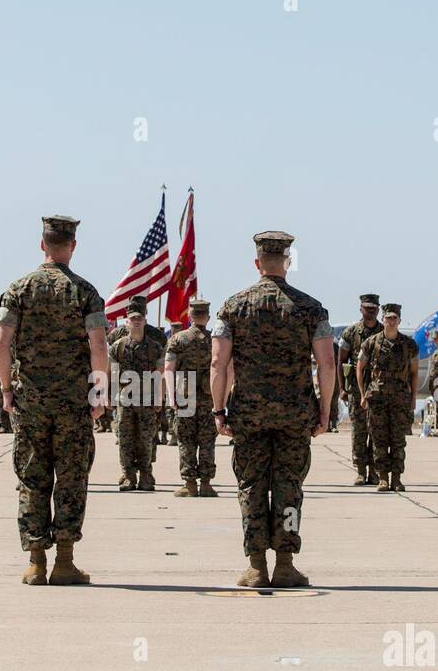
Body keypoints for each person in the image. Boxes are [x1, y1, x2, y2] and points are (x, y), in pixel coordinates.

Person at [211, 230, 333, 588]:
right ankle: (285, 563)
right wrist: (324, 411)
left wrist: (219, 410)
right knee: (289, 488)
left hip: (248, 415)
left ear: (257, 262)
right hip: (296, 415)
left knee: (251, 485)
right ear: (288, 262)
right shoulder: (311, 308)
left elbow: (218, 364)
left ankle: (255, 566)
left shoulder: (233, 307)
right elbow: (326, 363)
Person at [0, 214, 108, 586]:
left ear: (42, 244)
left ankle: (36, 562)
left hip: (31, 404)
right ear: (72, 246)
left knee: (32, 477)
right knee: (71, 479)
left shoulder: (18, 290)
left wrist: (8, 389)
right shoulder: (86, 293)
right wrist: (99, 392)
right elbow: (99, 345)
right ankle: (66, 562)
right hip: (73, 404)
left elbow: (0, 344)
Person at [357, 303, 420, 491]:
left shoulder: (409, 345)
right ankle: (382, 478)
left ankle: (397, 479)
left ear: (399, 320)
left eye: (394, 318)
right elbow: (359, 369)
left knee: (399, 440)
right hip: (377, 399)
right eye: (388, 318)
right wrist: (362, 394)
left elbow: (414, 373)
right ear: (382, 320)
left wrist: (413, 397)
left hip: (400, 399)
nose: (391, 321)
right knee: (379, 440)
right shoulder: (371, 343)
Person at [110, 299, 165, 491]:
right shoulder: (117, 346)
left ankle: (146, 475)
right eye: (133, 318)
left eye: (139, 318)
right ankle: (128, 475)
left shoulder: (154, 347)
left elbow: (160, 374)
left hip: (147, 401)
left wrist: (160, 398)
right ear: (127, 320)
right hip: (124, 400)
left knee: (146, 439)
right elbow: (111, 373)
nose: (136, 321)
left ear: (144, 320)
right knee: (125, 439)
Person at [165, 298, 217, 497]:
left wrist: (171, 396)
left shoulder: (178, 339)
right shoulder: (215, 340)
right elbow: (224, 368)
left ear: (190, 316)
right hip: (209, 397)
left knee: (186, 440)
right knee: (207, 440)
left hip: (184, 397)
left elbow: (169, 368)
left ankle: (189, 484)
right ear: (208, 317)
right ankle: (206, 484)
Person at [338, 294, 383, 485]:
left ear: (378, 310)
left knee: (377, 431)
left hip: (379, 389)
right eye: (367, 308)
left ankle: (374, 471)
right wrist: (342, 388)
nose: (370, 311)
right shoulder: (351, 333)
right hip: (357, 390)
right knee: (359, 431)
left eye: (373, 308)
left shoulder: (384, 331)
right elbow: (340, 362)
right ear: (361, 309)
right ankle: (361, 471)